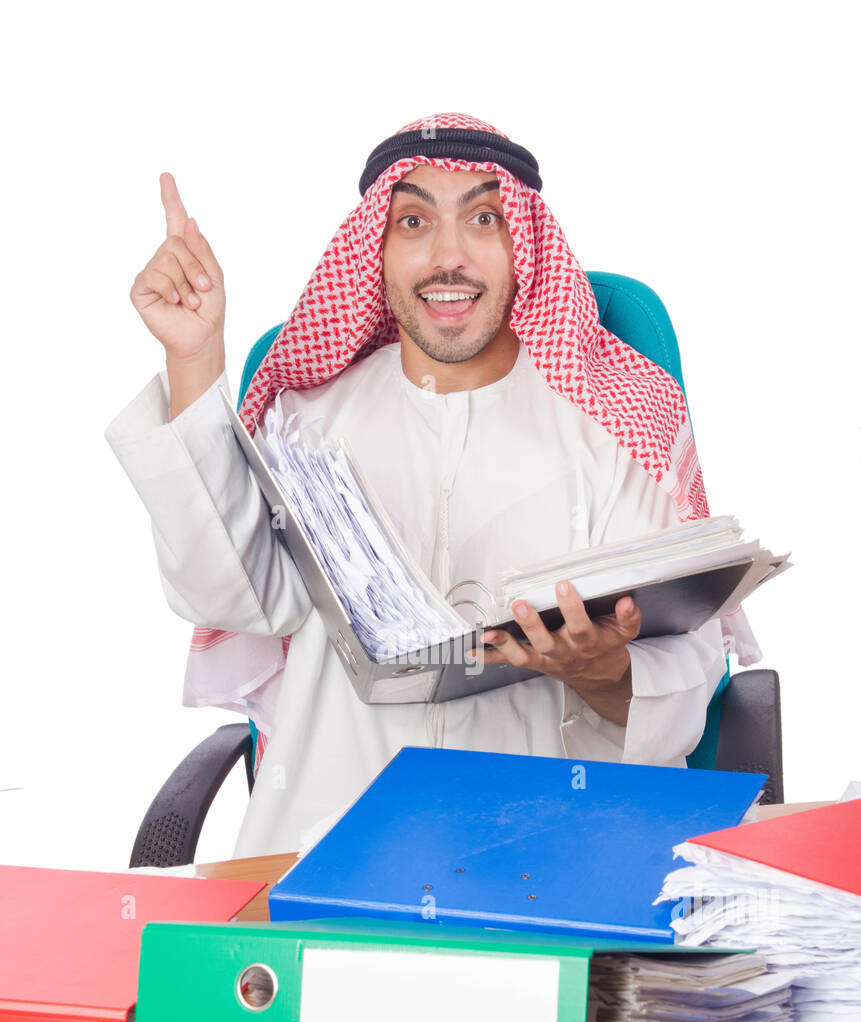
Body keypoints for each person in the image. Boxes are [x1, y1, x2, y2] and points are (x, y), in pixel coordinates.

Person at [105, 112, 752, 859]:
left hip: (557, 857)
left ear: (525, 244)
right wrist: (194, 359)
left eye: (483, 217)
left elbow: (689, 679)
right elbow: (230, 599)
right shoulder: (304, 421)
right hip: (327, 847)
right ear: (375, 250)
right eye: (413, 221)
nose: (449, 257)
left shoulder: (613, 421)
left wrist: (602, 672)